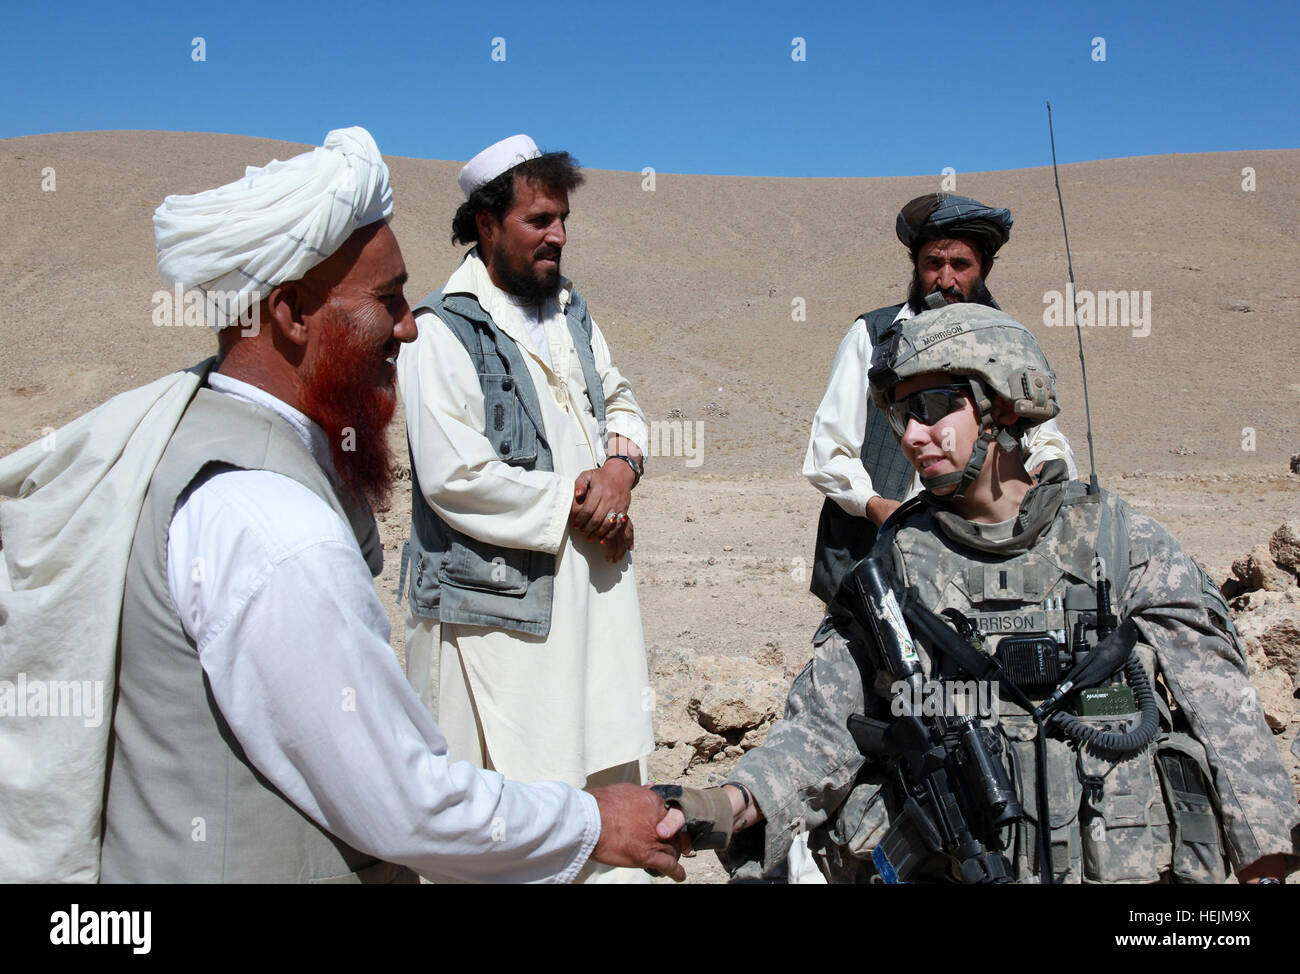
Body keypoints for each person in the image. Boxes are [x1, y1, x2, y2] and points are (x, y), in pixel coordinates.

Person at [0, 127, 683, 884]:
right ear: (291, 314)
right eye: (386, 301)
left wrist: (618, 470)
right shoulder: (271, 525)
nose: (408, 325)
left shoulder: (196, 435)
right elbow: (406, 802)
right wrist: (593, 823)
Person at [658, 304, 1298, 884]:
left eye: (934, 408)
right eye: (902, 415)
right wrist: (732, 801)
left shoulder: (1118, 541)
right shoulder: (896, 562)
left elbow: (1223, 707)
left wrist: (1264, 863)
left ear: (1004, 406)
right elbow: (825, 720)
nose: (911, 435)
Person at [398, 135, 653, 882]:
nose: (559, 236)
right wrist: (582, 503)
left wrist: (619, 469)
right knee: (507, 798)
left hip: (593, 592)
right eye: (540, 219)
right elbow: (456, 476)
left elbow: (624, 402)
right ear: (486, 224)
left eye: (563, 218)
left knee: (599, 758)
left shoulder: (572, 313)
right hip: (499, 616)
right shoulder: (441, 330)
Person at [807, 192, 1076, 605]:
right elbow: (829, 449)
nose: (945, 279)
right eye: (933, 264)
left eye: (961, 265)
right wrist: (879, 508)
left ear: (984, 268)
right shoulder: (873, 335)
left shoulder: (1007, 344)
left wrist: (1045, 477)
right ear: (916, 266)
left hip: (974, 553)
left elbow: (1043, 437)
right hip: (872, 553)